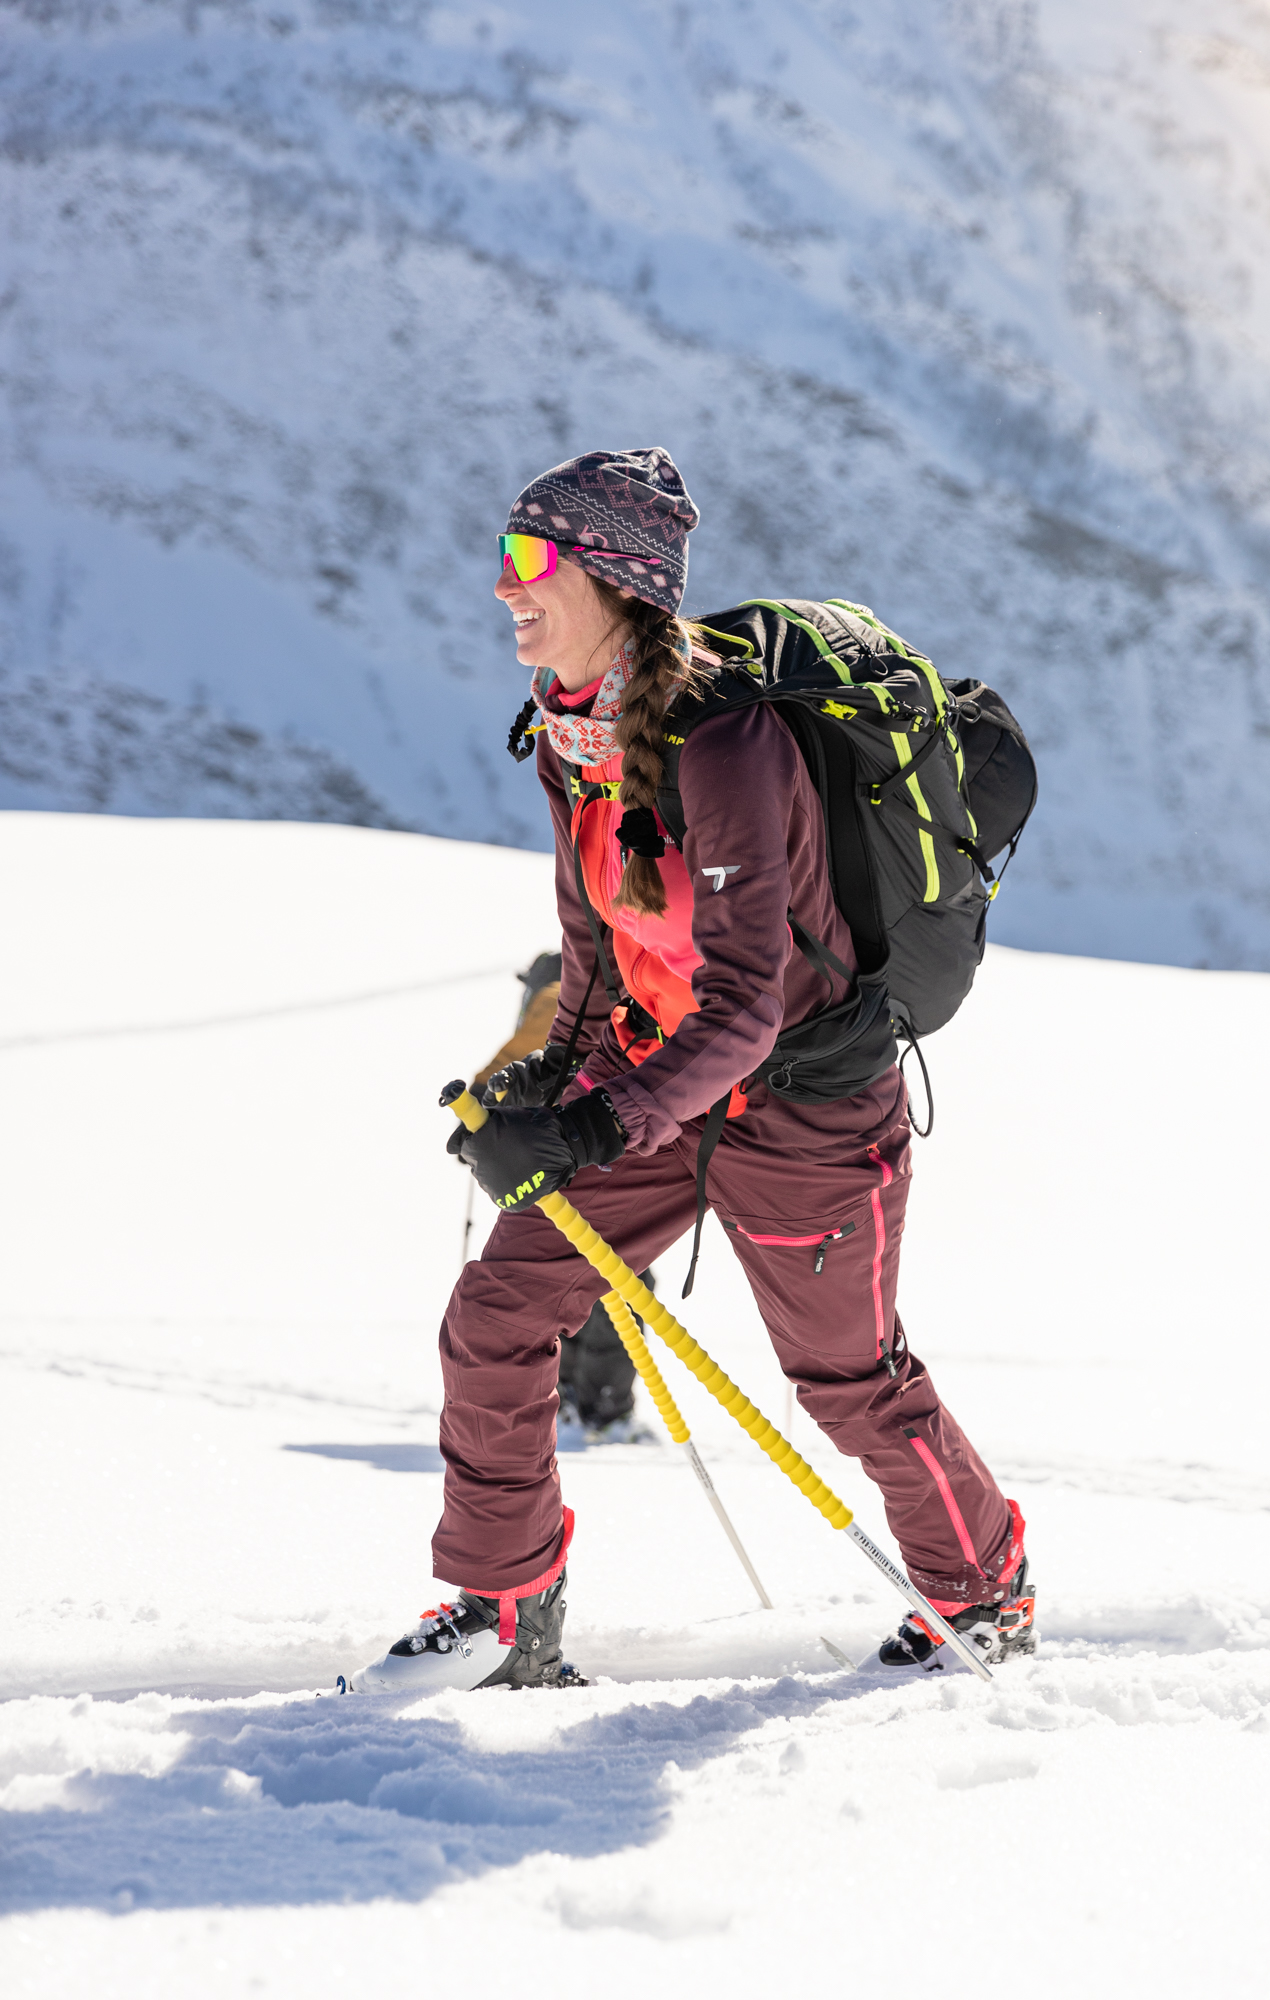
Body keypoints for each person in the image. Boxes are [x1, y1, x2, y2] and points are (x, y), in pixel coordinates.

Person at [353, 447, 1033, 1693]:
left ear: (612, 576)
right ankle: (506, 1608)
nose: (502, 585)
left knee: (846, 1379)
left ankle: (981, 1590)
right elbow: (594, 955)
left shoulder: (726, 743)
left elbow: (749, 1002)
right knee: (498, 1312)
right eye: (501, 556)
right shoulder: (571, 735)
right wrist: (541, 1086)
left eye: (527, 560)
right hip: (658, 1082)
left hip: (808, 1105)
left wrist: (597, 1126)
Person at [470, 951, 653, 1441]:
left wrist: (484, 1126)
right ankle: (603, 1408)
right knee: (620, 1280)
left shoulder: (553, 998)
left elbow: (492, 1078)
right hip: (588, 1152)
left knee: (567, 1277)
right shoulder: (593, 989)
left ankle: (572, 1393)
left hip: (541, 1164)